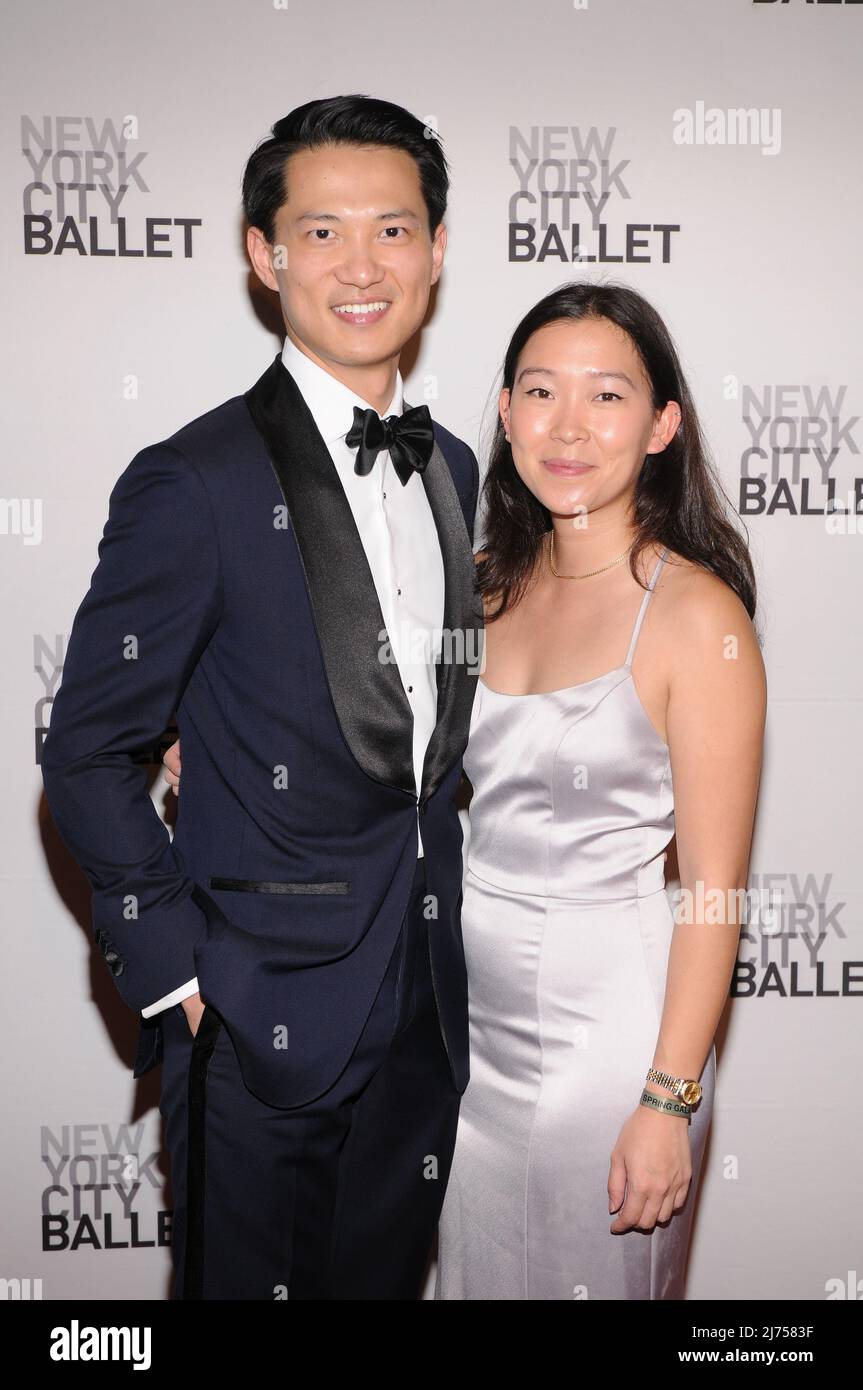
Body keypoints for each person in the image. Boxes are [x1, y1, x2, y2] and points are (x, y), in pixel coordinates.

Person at [40, 95, 484, 1300]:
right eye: (321, 230)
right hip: (253, 1018)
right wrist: (181, 974)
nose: (360, 265)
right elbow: (86, 751)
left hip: (422, 1012)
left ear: (437, 250)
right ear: (262, 252)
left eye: (391, 230)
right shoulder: (196, 480)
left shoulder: (451, 466)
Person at [433, 282, 766, 1299]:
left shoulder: (693, 615)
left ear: (663, 423)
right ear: (503, 412)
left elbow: (712, 885)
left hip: (610, 1048)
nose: (566, 425)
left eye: (607, 395)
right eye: (539, 391)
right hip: (465, 1047)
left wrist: (667, 1098)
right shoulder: (478, 586)